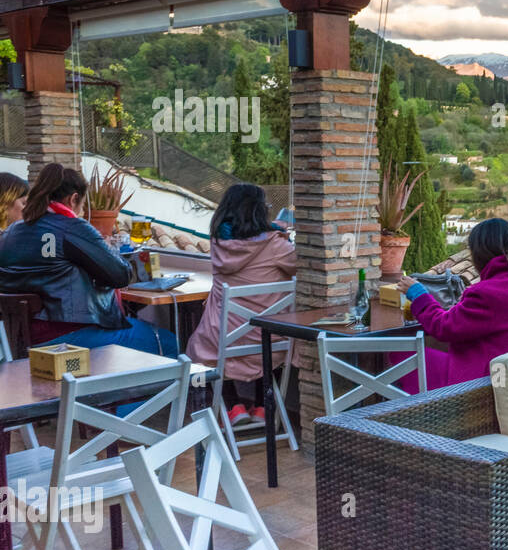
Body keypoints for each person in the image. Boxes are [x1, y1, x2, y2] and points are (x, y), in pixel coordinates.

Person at [0, 163, 176, 355]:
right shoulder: (71, 227)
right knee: (169, 342)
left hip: (21, 342)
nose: (82, 212)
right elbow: (120, 275)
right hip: (70, 338)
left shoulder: (12, 231)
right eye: (83, 205)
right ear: (74, 198)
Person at [395, 218, 508, 392]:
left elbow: (443, 327)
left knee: (399, 353)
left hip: (483, 382)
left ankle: (410, 415)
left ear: (480, 254)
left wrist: (418, 294)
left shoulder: (487, 292)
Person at [186, 184, 296, 425]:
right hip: (271, 341)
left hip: (224, 339)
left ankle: (233, 406)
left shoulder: (218, 243)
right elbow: (299, 266)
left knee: (196, 352)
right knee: (266, 332)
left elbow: (247, 237)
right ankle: (262, 407)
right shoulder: (277, 245)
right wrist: (280, 233)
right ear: (258, 211)